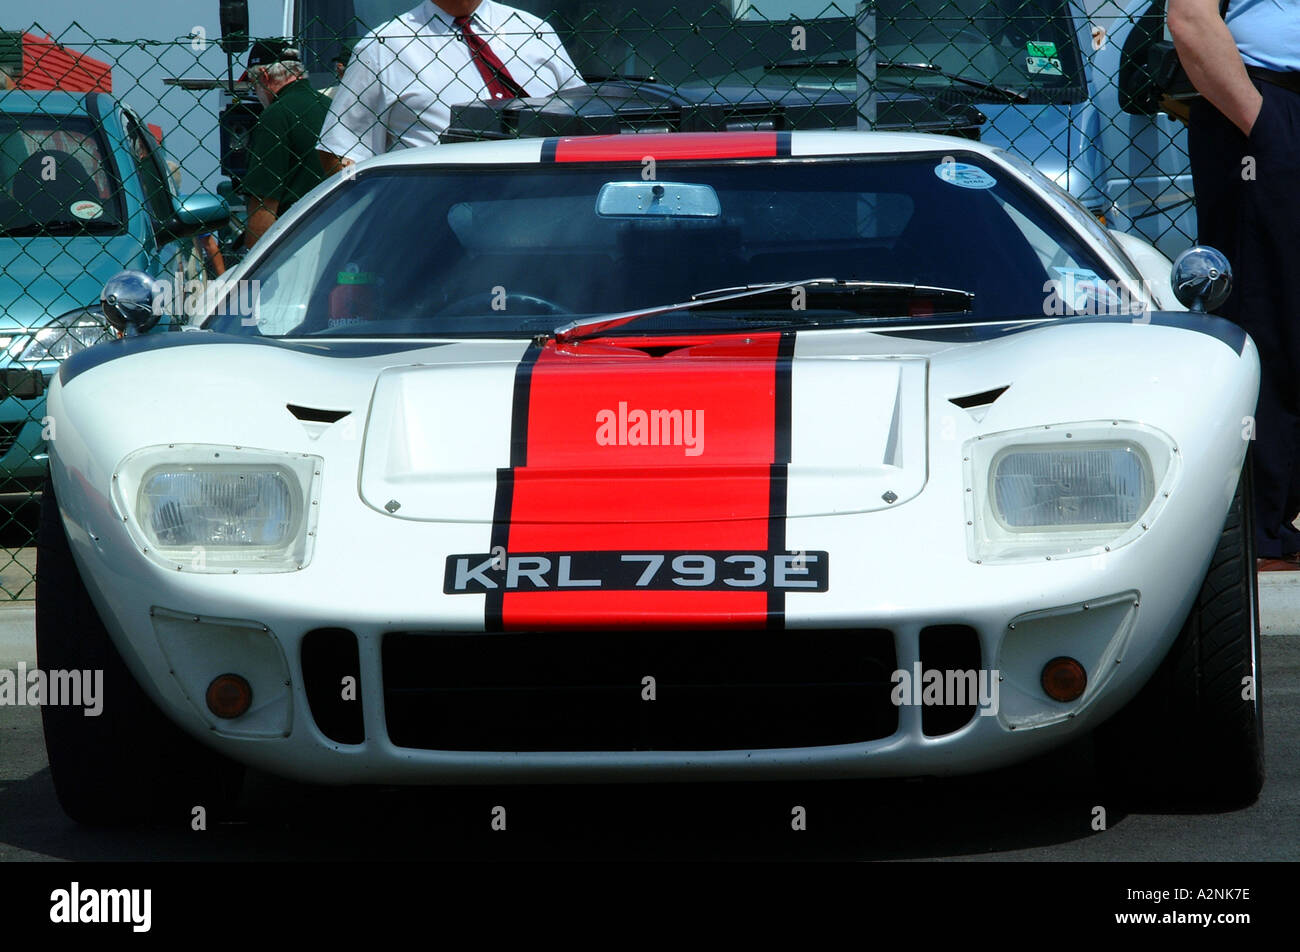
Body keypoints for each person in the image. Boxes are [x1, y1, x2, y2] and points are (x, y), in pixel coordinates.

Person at [1170, 0, 1300, 571]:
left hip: (1271, 109)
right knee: (1267, 310)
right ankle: (1256, 526)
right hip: (1264, 103)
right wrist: (1264, 123)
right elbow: (1191, 14)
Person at [317, 0, 585, 171]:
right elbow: (341, 149)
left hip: (546, 203)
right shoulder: (384, 46)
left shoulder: (534, 31)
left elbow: (585, 118)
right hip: (439, 214)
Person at [239, 39, 332, 249]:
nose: (256, 92)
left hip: (295, 241)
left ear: (264, 75)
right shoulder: (331, 107)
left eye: (254, 85)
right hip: (337, 234)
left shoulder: (276, 116)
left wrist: (254, 267)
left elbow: (265, 204)